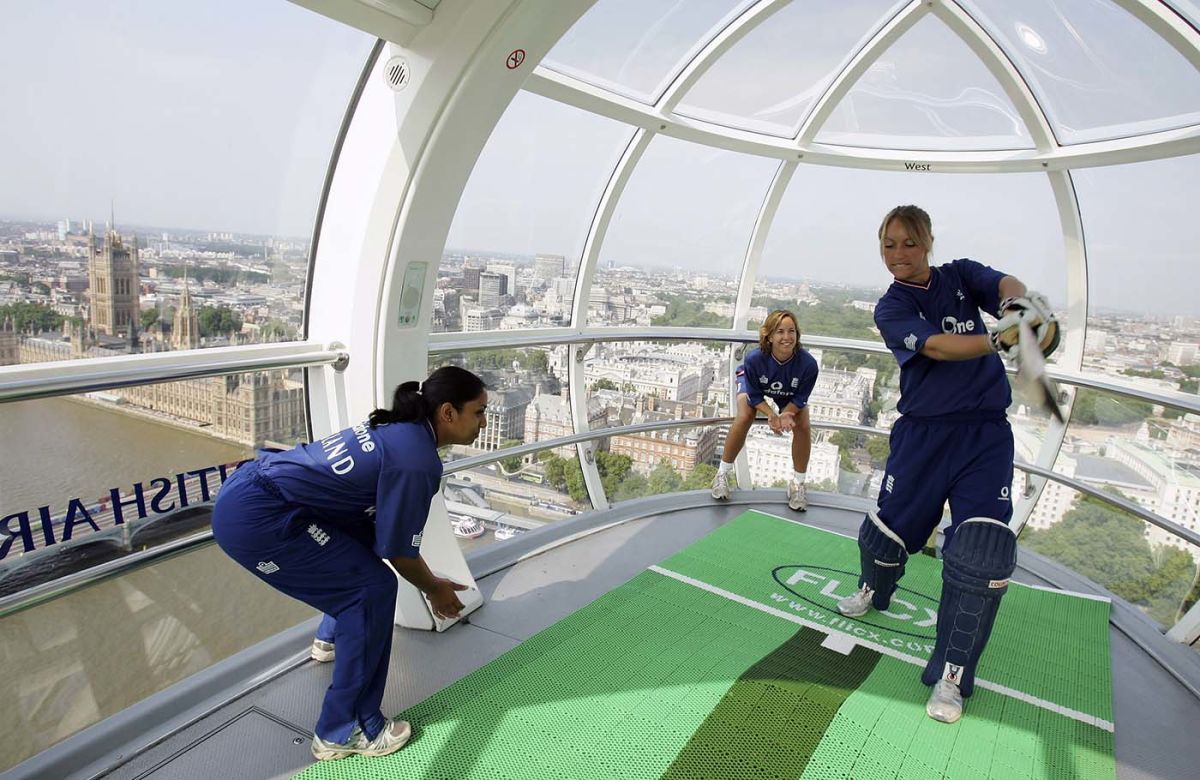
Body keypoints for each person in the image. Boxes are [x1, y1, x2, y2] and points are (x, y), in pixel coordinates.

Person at [836, 205, 1058, 724]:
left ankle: (952, 675)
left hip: (984, 435)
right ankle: (873, 589)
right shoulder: (891, 307)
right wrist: (1000, 338)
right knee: (889, 532)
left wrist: (1019, 306)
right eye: (889, 244)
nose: (898, 254)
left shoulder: (959, 275)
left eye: (909, 243)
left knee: (982, 552)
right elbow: (937, 347)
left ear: (928, 242)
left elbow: (1002, 283)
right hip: (924, 434)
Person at [211, 366, 488, 760]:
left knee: (361, 547)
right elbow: (399, 553)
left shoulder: (399, 430)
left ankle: (331, 638)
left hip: (252, 491)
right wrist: (435, 589)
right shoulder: (417, 461)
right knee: (372, 590)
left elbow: (379, 533)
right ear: (448, 412)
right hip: (260, 518)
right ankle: (345, 728)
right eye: (478, 412)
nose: (483, 422)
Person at [711, 309, 819, 511]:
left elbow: (800, 398)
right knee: (745, 415)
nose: (787, 337)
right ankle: (722, 474)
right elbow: (754, 396)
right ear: (769, 336)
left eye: (791, 331)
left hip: (788, 390)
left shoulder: (808, 365)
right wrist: (771, 416)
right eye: (780, 332)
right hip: (757, 385)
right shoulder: (754, 359)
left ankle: (798, 483)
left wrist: (786, 414)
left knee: (803, 424)